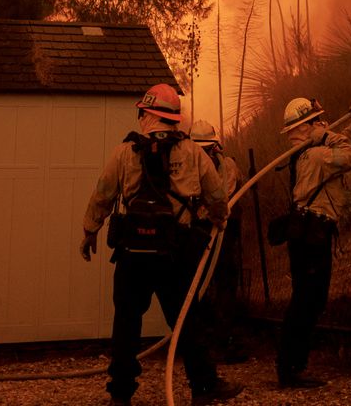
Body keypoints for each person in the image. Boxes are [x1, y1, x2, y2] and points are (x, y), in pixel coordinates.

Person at [81, 85, 241, 405]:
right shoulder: (193, 152)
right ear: (173, 118)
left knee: (126, 322)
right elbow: (217, 194)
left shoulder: (125, 152)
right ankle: (205, 387)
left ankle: (121, 394)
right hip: (175, 253)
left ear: (148, 115)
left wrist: (90, 231)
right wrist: (219, 218)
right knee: (185, 321)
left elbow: (102, 194)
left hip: (132, 253)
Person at [276, 95, 351, 391]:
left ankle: (290, 366)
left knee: (307, 300)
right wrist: (326, 134)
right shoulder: (316, 155)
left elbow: (342, 145)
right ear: (309, 125)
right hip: (312, 237)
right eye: (317, 120)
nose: (323, 123)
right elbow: (350, 157)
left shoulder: (308, 152)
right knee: (308, 302)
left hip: (307, 235)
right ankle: (291, 369)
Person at [188, 119, 247, 362]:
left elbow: (225, 195)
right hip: (206, 231)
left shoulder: (226, 166)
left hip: (217, 231)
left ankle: (217, 341)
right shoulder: (221, 164)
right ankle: (202, 342)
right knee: (199, 287)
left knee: (216, 285)